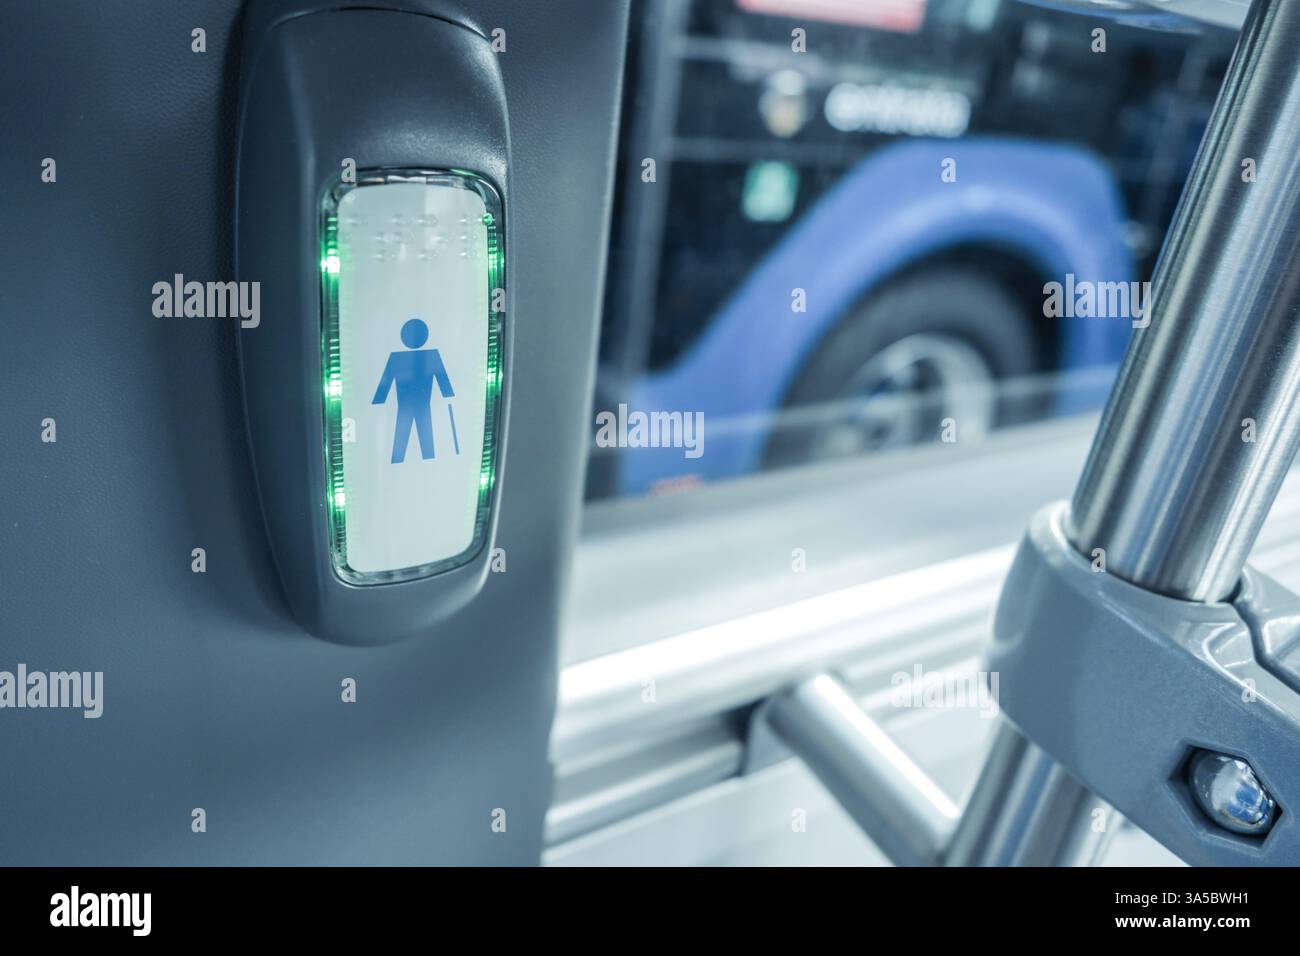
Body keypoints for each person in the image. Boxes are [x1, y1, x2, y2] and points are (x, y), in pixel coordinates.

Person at [371, 318, 455, 463]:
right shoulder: (428, 355)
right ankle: (405, 461)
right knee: (411, 438)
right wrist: (447, 393)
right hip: (413, 405)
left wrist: (379, 398)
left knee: (417, 438)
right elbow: (444, 384)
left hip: (415, 405)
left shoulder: (400, 357)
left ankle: (410, 461)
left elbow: (384, 387)